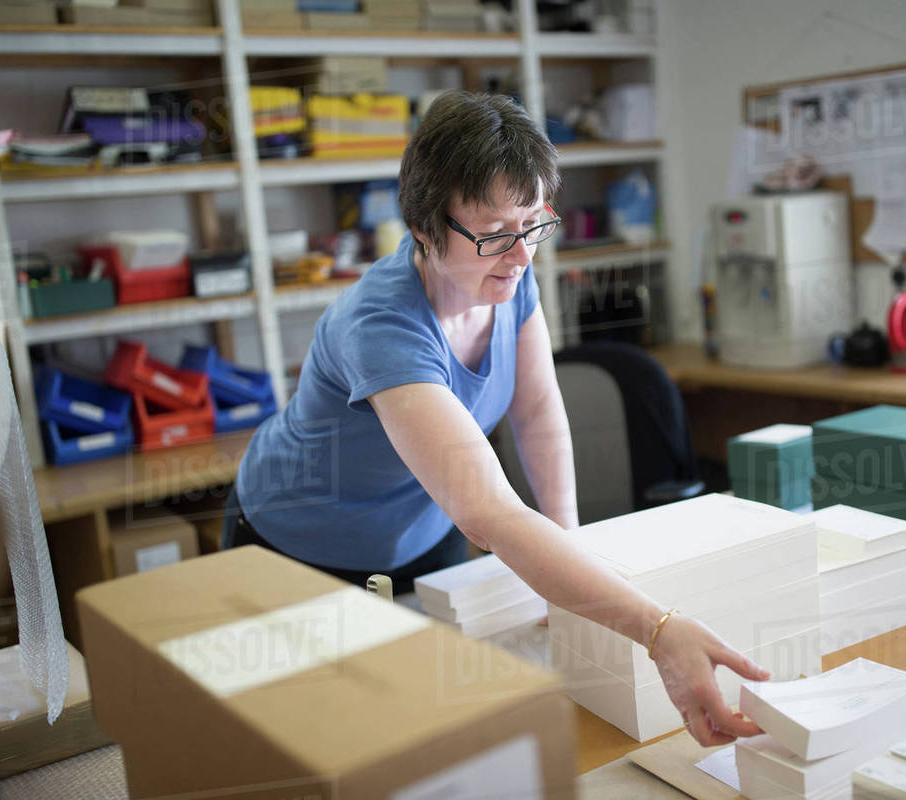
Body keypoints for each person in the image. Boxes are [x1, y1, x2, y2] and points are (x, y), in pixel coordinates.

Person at [225, 90, 768, 746]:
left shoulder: (508, 280)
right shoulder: (382, 325)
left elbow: (537, 413)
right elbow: (488, 512)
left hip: (423, 534)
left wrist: (567, 556)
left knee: (445, 726)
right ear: (424, 227)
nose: (520, 255)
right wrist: (656, 629)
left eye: (533, 225)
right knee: (329, 745)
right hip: (301, 544)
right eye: (493, 234)